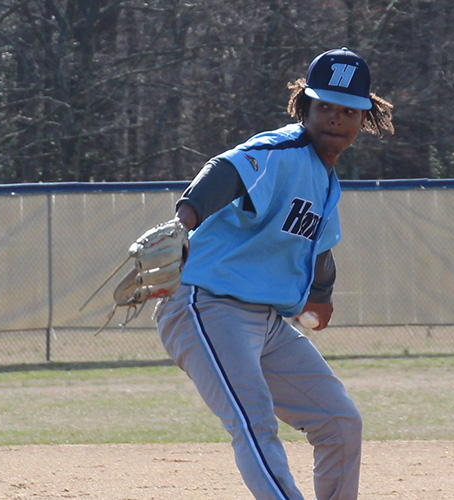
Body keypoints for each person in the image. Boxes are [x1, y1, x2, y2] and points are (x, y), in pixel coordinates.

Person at [152, 47, 394, 500]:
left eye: (348, 110)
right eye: (325, 106)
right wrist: (184, 218)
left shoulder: (325, 182)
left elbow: (319, 248)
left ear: (365, 119)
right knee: (254, 422)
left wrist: (320, 296)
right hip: (206, 304)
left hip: (266, 322)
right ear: (305, 106)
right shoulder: (282, 150)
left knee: (339, 422)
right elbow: (227, 169)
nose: (336, 118)